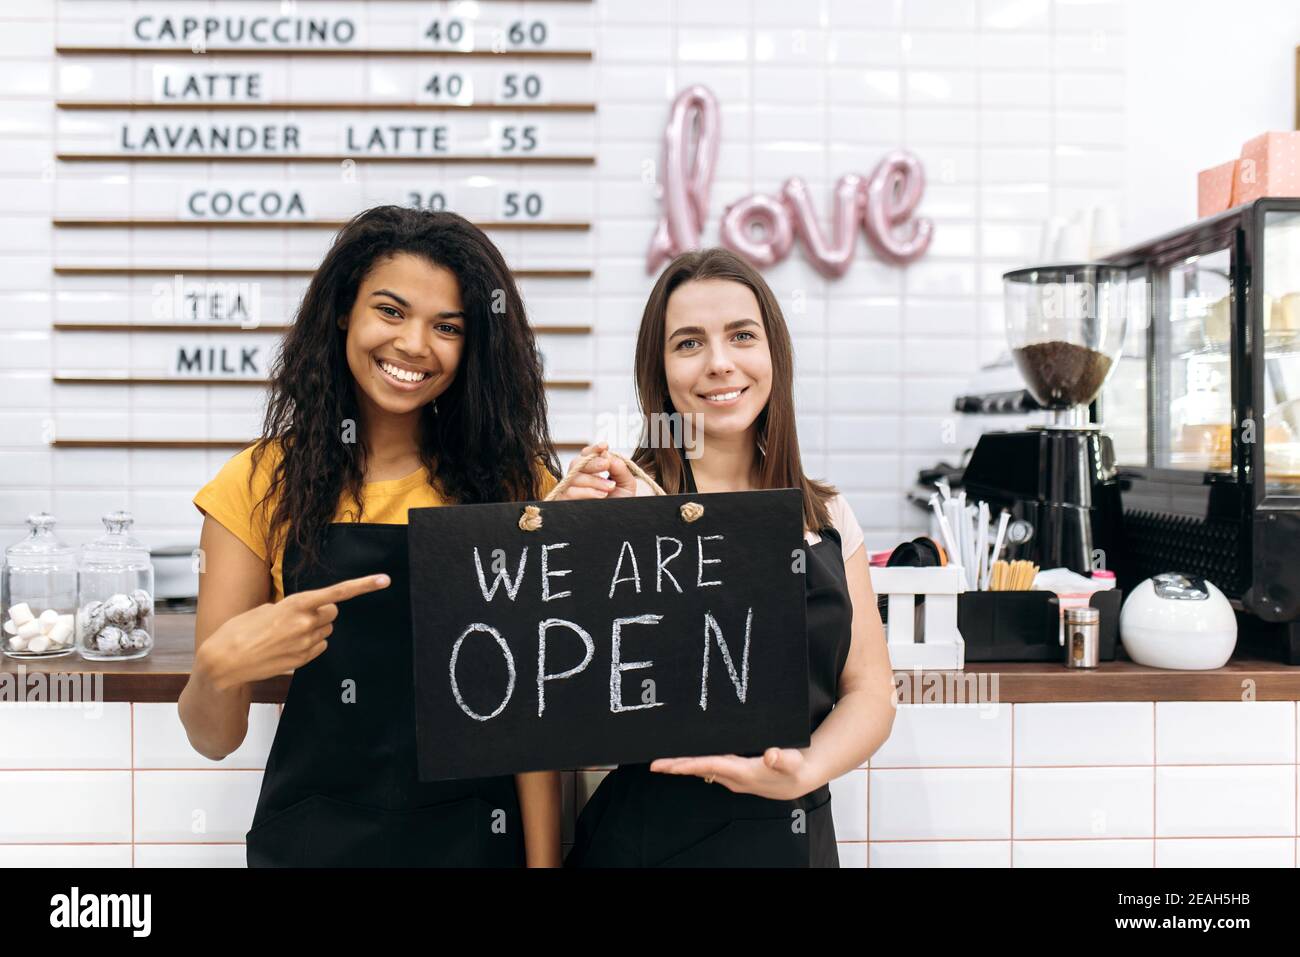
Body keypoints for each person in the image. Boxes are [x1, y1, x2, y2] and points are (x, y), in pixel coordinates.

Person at [179, 206, 574, 867]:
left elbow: (531, 723)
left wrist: (542, 865)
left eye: (447, 326)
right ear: (343, 314)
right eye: (390, 311)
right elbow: (214, 737)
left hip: (474, 842)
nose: (416, 343)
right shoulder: (257, 481)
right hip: (313, 842)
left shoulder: (517, 483)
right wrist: (220, 666)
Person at [563, 247, 897, 867]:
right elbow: (553, 690)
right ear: (659, 371)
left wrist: (805, 769)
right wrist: (550, 527)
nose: (720, 364)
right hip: (647, 841)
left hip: (792, 837)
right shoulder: (619, 499)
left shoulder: (826, 515)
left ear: (773, 353)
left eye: (741, 336)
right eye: (689, 344)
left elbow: (871, 691)